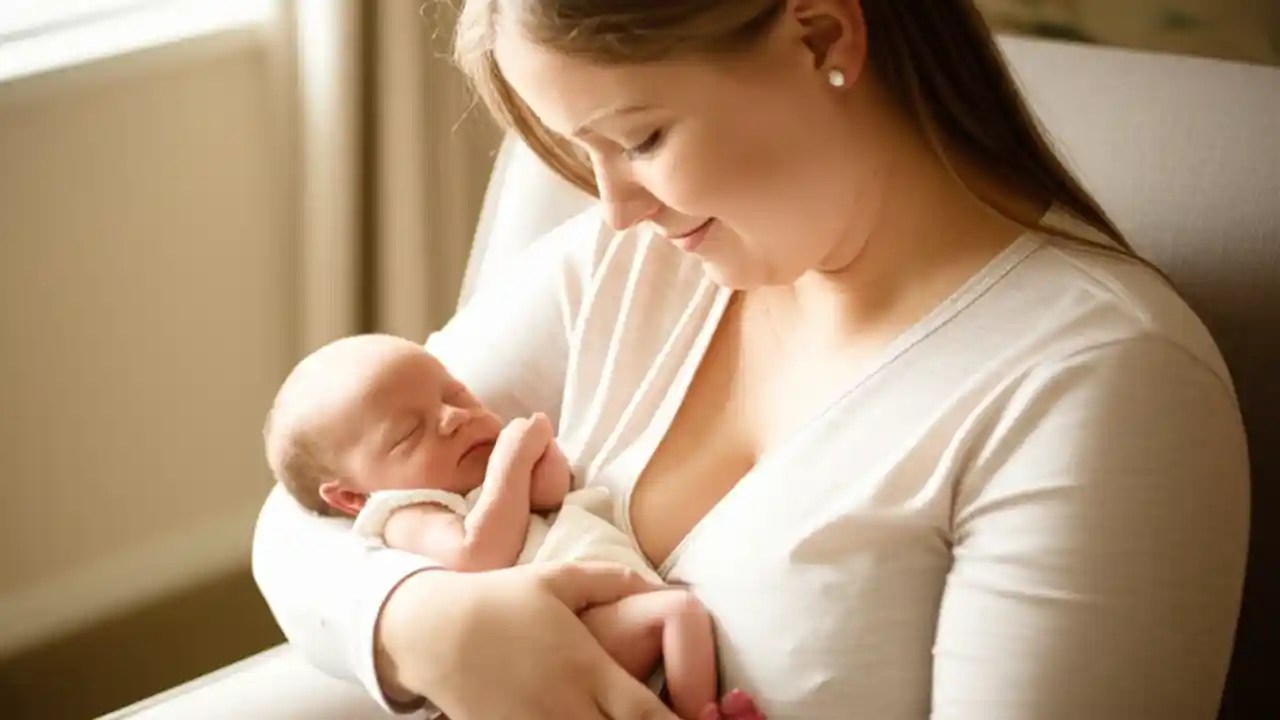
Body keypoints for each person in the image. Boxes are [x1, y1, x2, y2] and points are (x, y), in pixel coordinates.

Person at [252, 1, 1251, 718]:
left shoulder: (1098, 384)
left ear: (820, 36)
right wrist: (430, 624)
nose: (612, 204)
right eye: (580, 151)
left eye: (638, 138)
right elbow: (308, 499)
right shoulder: (628, 264)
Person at [262, 333, 726, 718]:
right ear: (351, 496)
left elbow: (551, 495)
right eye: (408, 434)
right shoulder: (407, 511)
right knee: (677, 613)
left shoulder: (480, 480)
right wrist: (512, 460)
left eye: (455, 395)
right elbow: (477, 556)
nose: (452, 418)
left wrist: (539, 459)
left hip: (591, 611)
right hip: (562, 636)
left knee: (678, 616)